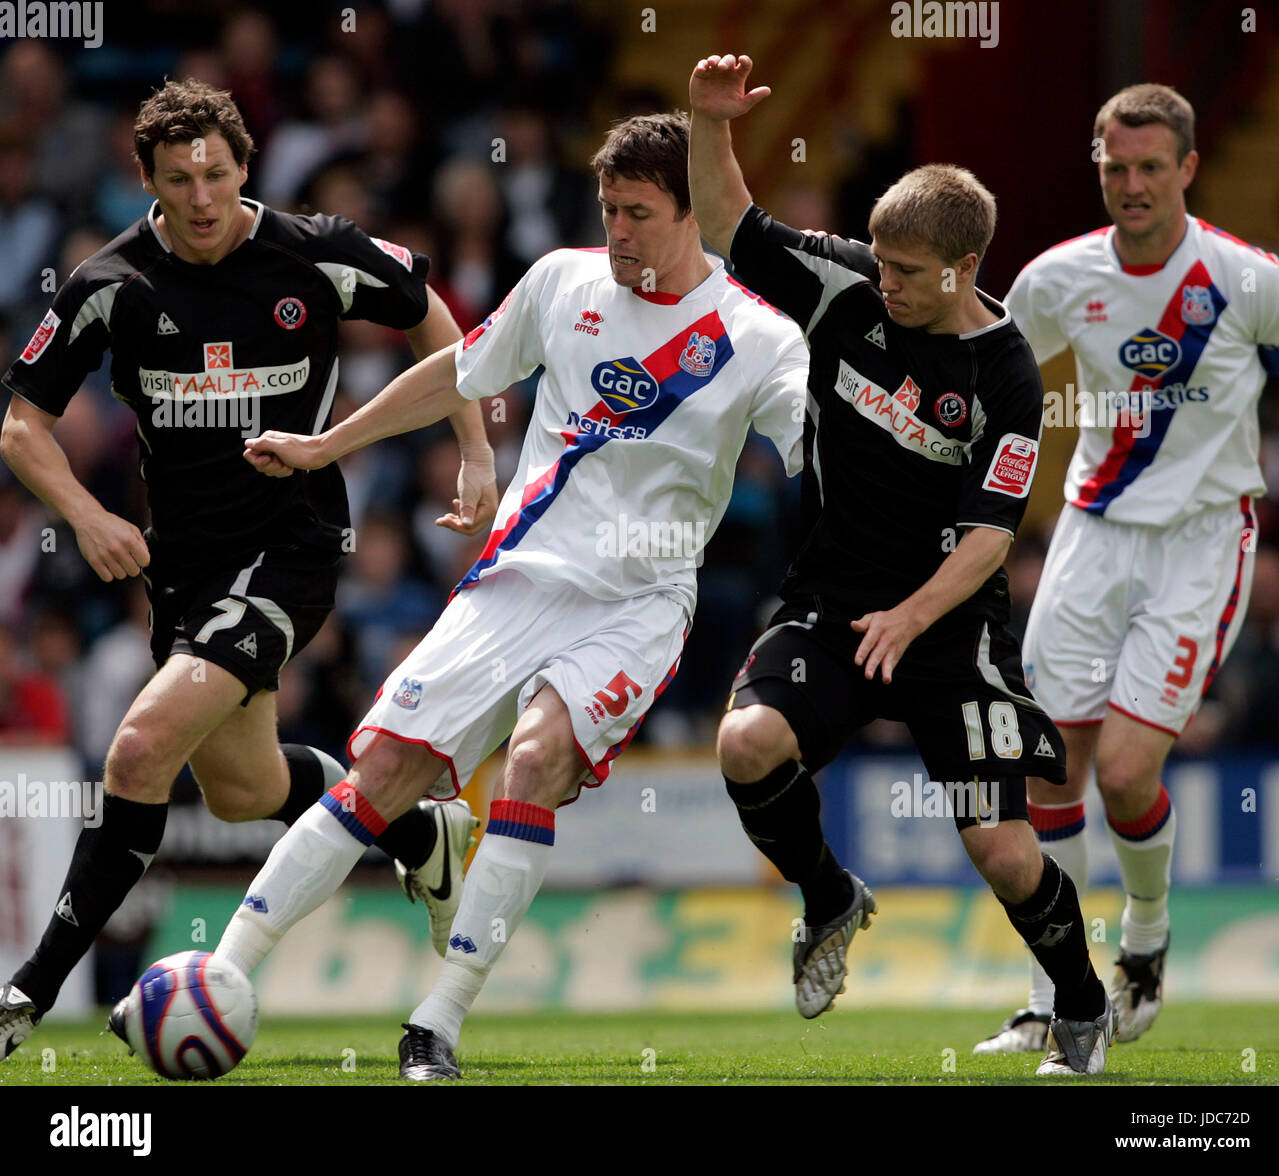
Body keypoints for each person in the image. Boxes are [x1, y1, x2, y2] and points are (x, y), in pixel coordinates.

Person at [207, 110, 811, 1081]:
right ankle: (224, 974)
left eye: (640, 214)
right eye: (608, 209)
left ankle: (435, 1024)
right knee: (387, 775)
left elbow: (812, 445)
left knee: (532, 761)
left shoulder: (758, 335)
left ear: (692, 215)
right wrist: (326, 447)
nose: (617, 232)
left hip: (637, 605)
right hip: (514, 582)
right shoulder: (562, 282)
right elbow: (457, 370)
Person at [0, 78, 497, 1060]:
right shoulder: (110, 286)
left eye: (218, 173)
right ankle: (416, 834)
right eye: (178, 177)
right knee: (241, 787)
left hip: (294, 546)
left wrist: (475, 449)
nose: (200, 194)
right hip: (184, 569)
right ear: (144, 178)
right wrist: (87, 514)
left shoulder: (310, 253)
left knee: (141, 750)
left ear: (244, 167)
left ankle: (23, 994)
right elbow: (22, 425)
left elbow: (430, 311)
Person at [690, 53, 1115, 1076]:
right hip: (833, 605)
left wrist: (913, 617)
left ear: (963, 268)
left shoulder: (1007, 373)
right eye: (880, 266)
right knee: (745, 745)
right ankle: (828, 896)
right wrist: (709, 124)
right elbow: (725, 228)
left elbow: (989, 535)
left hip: (948, 626)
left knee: (1001, 852)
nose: (888, 287)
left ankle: (1081, 1002)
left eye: (908, 276)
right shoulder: (845, 286)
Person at [975, 84, 1279, 1054]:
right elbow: (993, 381)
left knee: (1122, 774)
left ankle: (1147, 941)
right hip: (1090, 530)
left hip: (1203, 539)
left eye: (1150, 167)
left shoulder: (1248, 283)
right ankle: (1058, 998)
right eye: (1114, 168)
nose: (1130, 186)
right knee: (1049, 770)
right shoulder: (1055, 279)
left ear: (1188, 169)